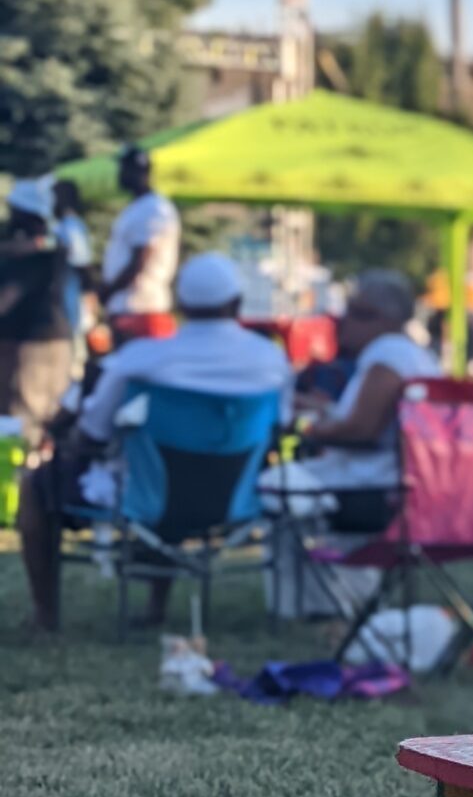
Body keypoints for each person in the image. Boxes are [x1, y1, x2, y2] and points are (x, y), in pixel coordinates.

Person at [18, 251, 289, 632]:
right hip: (239, 500)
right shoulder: (271, 362)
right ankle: (155, 606)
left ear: (180, 304)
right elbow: (284, 425)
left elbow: (93, 432)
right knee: (165, 470)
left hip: (149, 498)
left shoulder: (142, 360)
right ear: (236, 303)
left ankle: (45, 614)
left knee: (36, 486)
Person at [262, 268, 441, 517]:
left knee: (268, 483)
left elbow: (361, 432)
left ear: (382, 319)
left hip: (367, 486)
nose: (342, 322)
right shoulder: (416, 354)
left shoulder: (387, 354)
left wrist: (304, 427)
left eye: (354, 313)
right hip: (394, 483)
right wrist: (325, 410)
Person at [0, 178, 76, 454]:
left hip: (32, 348)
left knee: (23, 423)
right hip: (51, 343)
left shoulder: (34, 257)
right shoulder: (45, 249)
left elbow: (6, 300)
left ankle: (22, 492)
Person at [100, 147, 181, 338]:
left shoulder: (153, 208)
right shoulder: (139, 206)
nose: (120, 175)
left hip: (140, 308)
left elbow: (141, 259)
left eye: (124, 169)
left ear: (139, 172)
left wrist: (108, 291)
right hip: (130, 307)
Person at [51, 178, 94, 342]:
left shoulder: (71, 227)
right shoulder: (63, 225)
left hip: (70, 309)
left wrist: (91, 299)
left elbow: (83, 265)